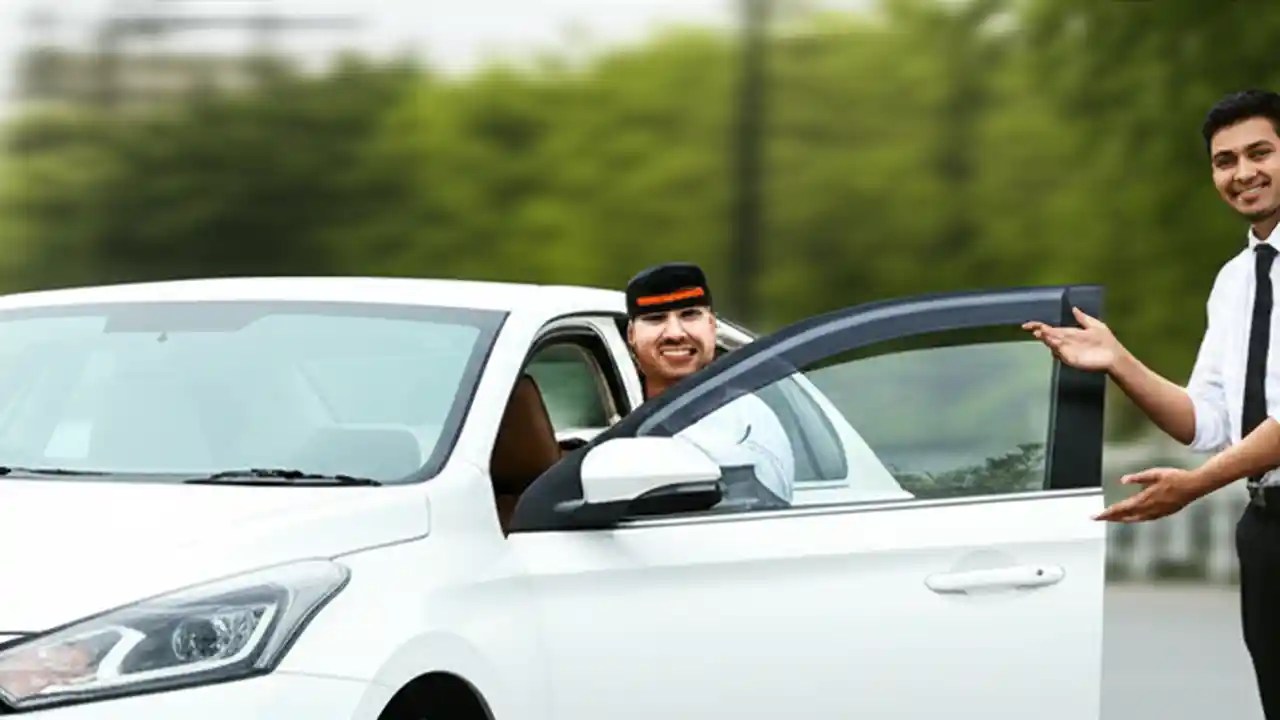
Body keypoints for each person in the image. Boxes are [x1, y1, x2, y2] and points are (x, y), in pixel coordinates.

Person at [1023, 89, 1280, 718]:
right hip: (1267, 529)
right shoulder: (1234, 281)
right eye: (1224, 161)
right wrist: (1118, 360)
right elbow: (1207, 422)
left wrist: (1194, 486)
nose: (1243, 173)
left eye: (1261, 153)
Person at [622, 262, 795, 506]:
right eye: (655, 318)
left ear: (712, 326)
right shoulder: (617, 416)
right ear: (631, 335)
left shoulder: (747, 421)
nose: (675, 333)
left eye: (689, 315)